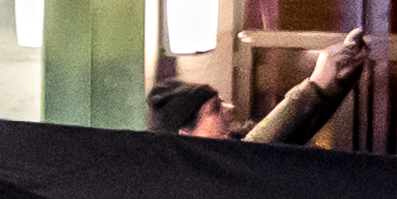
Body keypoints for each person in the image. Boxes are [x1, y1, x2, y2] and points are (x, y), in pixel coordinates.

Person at [148, 29, 361, 144]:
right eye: (214, 109)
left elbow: (295, 127)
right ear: (186, 134)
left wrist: (337, 81)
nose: (229, 108)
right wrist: (318, 82)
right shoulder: (204, 175)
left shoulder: (232, 140)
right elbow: (256, 150)